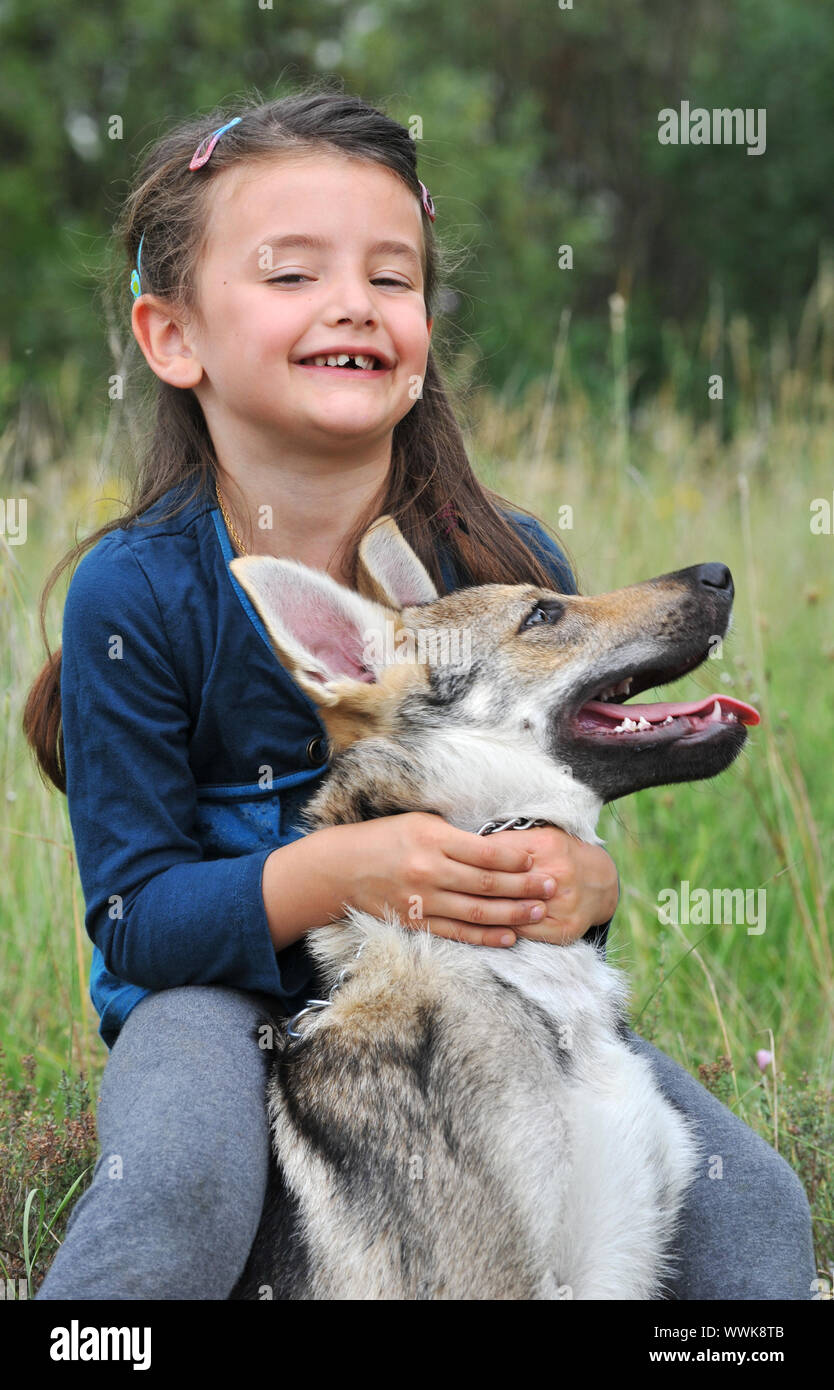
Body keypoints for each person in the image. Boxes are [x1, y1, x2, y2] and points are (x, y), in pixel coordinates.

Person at [24, 86, 815, 1301]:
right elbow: (134, 917)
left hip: (477, 995)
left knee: (752, 1202)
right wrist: (346, 872)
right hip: (217, 1008)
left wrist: (585, 885)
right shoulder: (137, 591)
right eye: (291, 274)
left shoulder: (502, 560)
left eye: (392, 278)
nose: (353, 301)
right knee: (175, 1187)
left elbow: (546, 824)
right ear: (171, 336)